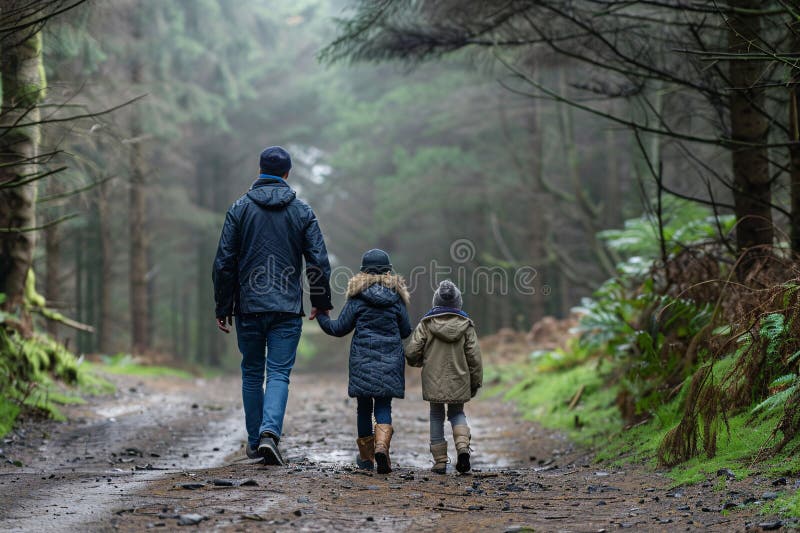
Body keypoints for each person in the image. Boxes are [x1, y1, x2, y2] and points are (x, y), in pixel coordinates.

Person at [212, 146, 333, 466]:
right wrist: (320, 303)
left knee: (252, 372)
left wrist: (223, 306)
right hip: (286, 308)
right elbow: (318, 261)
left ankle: (255, 443)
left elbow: (224, 262)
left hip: (249, 306)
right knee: (278, 373)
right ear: (287, 174)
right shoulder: (303, 211)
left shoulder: (239, 209)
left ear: (259, 169)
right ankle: (270, 434)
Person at [316, 249, 412, 474]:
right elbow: (406, 330)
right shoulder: (396, 298)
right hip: (390, 360)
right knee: (383, 405)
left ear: (363, 271)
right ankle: (382, 448)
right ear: (389, 271)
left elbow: (339, 328)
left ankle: (367, 459)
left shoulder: (357, 297)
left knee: (363, 408)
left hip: (362, 360)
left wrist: (321, 315)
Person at [405, 280, 482, 474]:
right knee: (457, 413)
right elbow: (474, 357)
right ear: (458, 303)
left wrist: (420, 362)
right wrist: (475, 382)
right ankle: (463, 448)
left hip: (433, 379)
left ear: (435, 302)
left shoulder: (426, 324)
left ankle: (440, 461)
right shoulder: (466, 326)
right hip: (460, 378)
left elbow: (412, 351)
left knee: (436, 416)